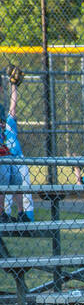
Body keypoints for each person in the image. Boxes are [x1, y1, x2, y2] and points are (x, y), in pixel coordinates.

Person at [2, 67, 34, 223]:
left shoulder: (8, 122)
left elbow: (13, 106)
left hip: (16, 157)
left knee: (21, 188)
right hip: (4, 159)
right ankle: (5, 215)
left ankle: (25, 216)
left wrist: (13, 86)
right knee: (5, 192)